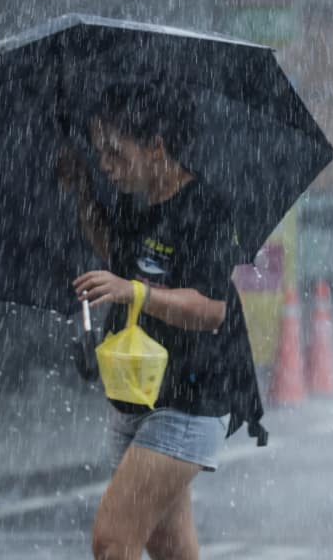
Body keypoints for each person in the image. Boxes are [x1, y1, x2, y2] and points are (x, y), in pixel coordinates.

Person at [60, 80, 266, 560]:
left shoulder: (203, 207)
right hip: (141, 392)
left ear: (156, 147)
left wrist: (134, 292)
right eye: (99, 155)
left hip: (193, 396)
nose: (107, 166)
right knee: (171, 550)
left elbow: (212, 309)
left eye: (115, 153)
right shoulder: (140, 203)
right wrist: (82, 190)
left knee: (113, 541)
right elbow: (118, 253)